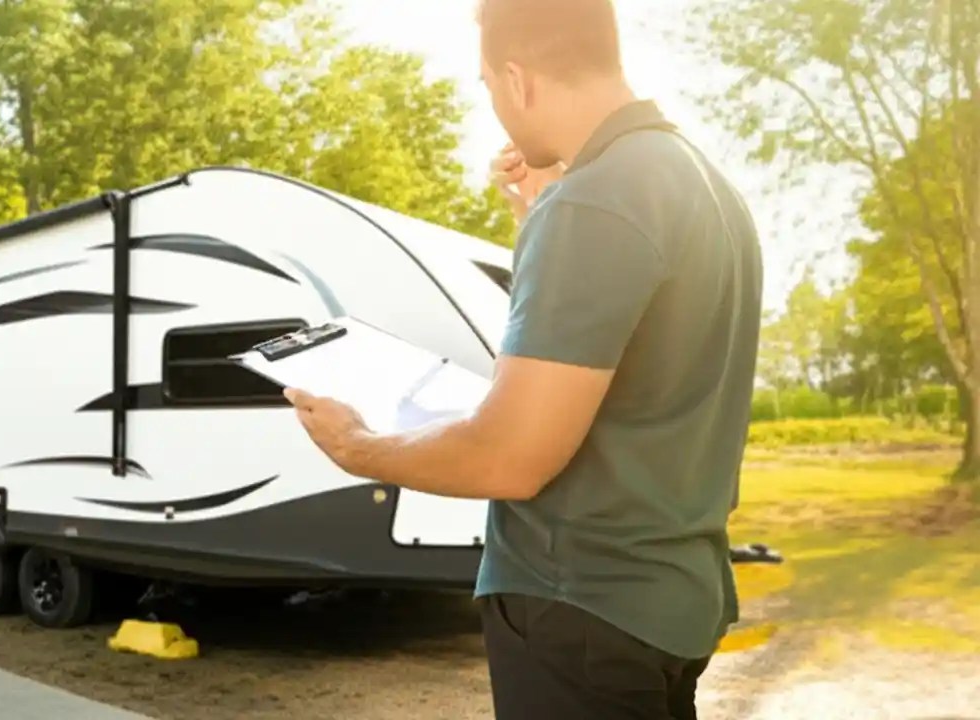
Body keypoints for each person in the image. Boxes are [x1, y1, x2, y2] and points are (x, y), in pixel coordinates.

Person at [282, 0, 763, 717]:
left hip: (581, 609)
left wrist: (360, 447)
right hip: (668, 604)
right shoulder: (697, 184)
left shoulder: (594, 204)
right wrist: (540, 220)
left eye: (486, 85)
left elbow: (510, 457)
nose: (497, 109)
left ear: (518, 78)